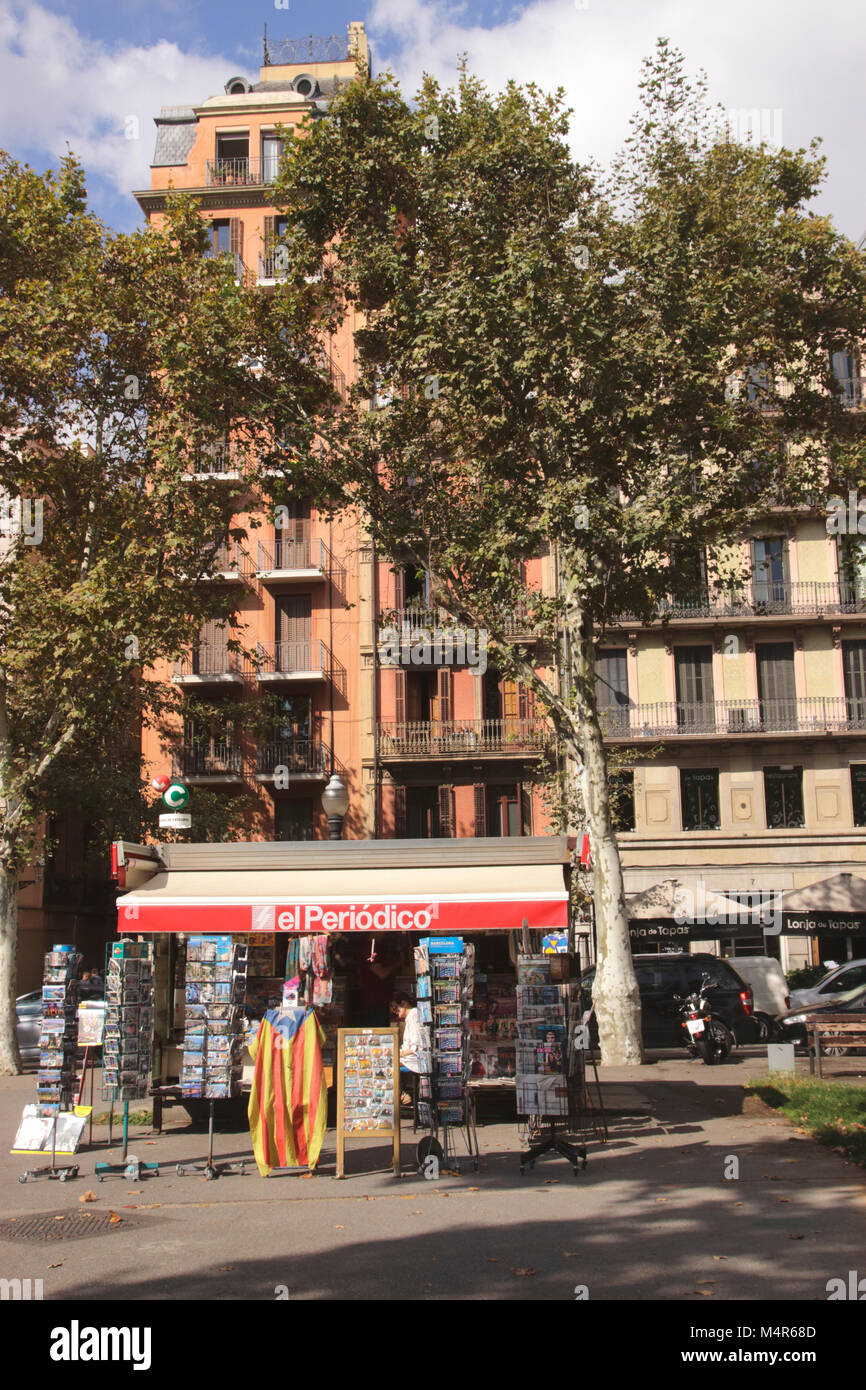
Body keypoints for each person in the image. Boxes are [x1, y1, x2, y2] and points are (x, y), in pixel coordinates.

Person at [394, 992, 423, 1106]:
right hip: (408, 1057)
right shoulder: (410, 1017)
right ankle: (401, 1092)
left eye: (396, 1008)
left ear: (404, 1004)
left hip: (414, 1059)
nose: (395, 1011)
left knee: (388, 1064)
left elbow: (416, 1047)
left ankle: (401, 1093)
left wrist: (400, 1054)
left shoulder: (414, 1015)